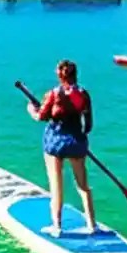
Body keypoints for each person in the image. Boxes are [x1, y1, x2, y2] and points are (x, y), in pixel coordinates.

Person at [28, 59, 97, 236]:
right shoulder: (83, 95)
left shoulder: (53, 94)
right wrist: (79, 136)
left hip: (55, 143)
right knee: (83, 186)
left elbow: (41, 117)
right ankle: (92, 225)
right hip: (76, 142)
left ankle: (57, 227)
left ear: (60, 76)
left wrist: (32, 110)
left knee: (56, 186)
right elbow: (88, 125)